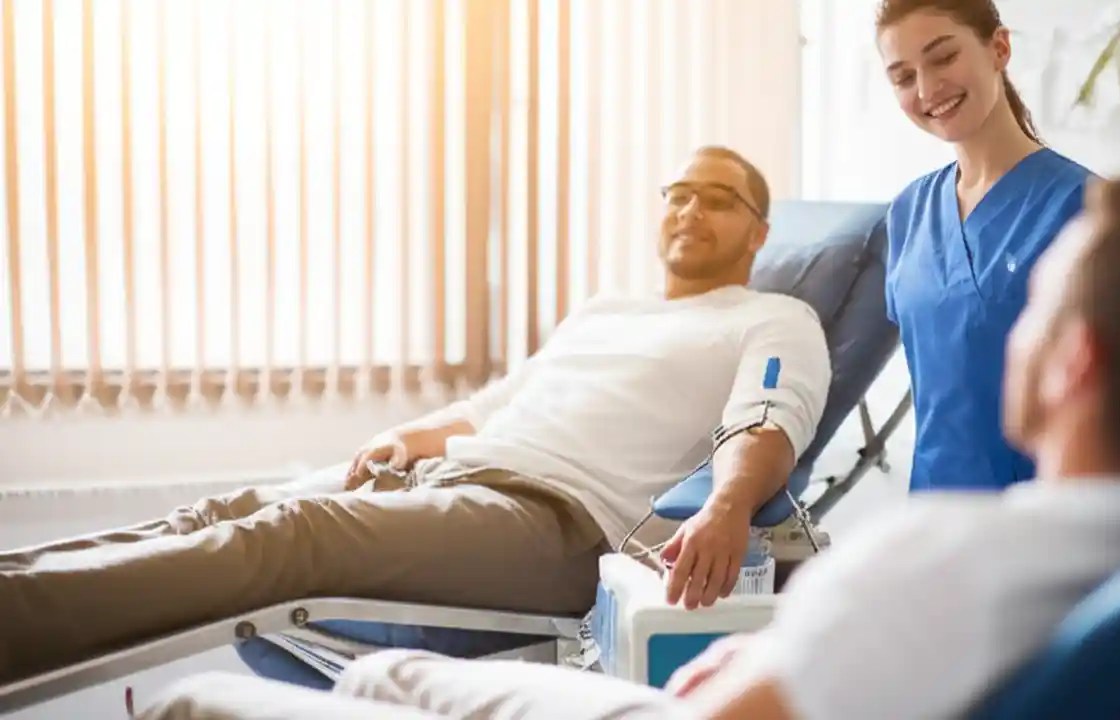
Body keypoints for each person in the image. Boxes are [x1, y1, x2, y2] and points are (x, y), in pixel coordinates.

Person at [143, 177, 1120, 720]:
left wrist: (736, 532)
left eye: (1035, 306)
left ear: (1073, 365)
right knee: (382, 669)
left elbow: (760, 442)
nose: (1009, 329)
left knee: (207, 697)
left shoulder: (942, 552)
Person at [0, 146, 832, 684]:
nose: (691, 211)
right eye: (679, 193)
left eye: (718, 199)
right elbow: (498, 403)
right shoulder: (606, 311)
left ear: (758, 231)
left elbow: (767, 416)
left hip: (553, 524)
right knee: (232, 509)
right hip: (456, 478)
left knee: (294, 537)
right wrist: (414, 436)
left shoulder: (769, 319)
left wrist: (726, 506)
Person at [880, 0, 1095, 491]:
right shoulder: (908, 213)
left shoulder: (1086, 207)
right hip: (936, 513)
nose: (927, 88)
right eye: (903, 76)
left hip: (1047, 519)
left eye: (943, 58)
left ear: (999, 49)